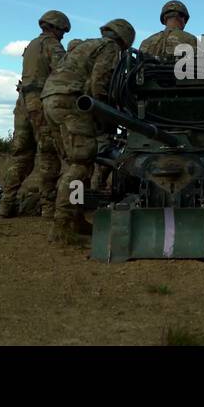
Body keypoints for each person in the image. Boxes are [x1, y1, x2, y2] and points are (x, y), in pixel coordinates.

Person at [41, 19, 136, 242]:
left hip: (52, 99)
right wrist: (107, 115)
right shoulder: (110, 48)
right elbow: (98, 84)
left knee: (75, 162)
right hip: (71, 101)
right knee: (81, 163)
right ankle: (63, 226)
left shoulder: (88, 45)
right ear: (125, 38)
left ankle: (75, 219)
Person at [0, 11, 69, 218]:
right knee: (49, 154)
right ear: (56, 28)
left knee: (21, 155)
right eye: (63, 31)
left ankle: (6, 204)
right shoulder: (52, 45)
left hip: (22, 103)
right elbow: (61, 73)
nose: (63, 35)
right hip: (40, 103)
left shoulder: (30, 46)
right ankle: (48, 208)